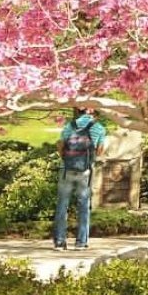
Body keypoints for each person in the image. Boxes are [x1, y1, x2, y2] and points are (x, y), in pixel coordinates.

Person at [53, 106, 107, 251]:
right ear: (95, 114)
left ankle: (59, 242)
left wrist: (66, 158)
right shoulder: (99, 128)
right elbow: (100, 150)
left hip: (66, 170)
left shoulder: (70, 126)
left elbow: (60, 144)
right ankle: (81, 243)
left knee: (62, 205)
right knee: (83, 205)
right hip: (85, 171)